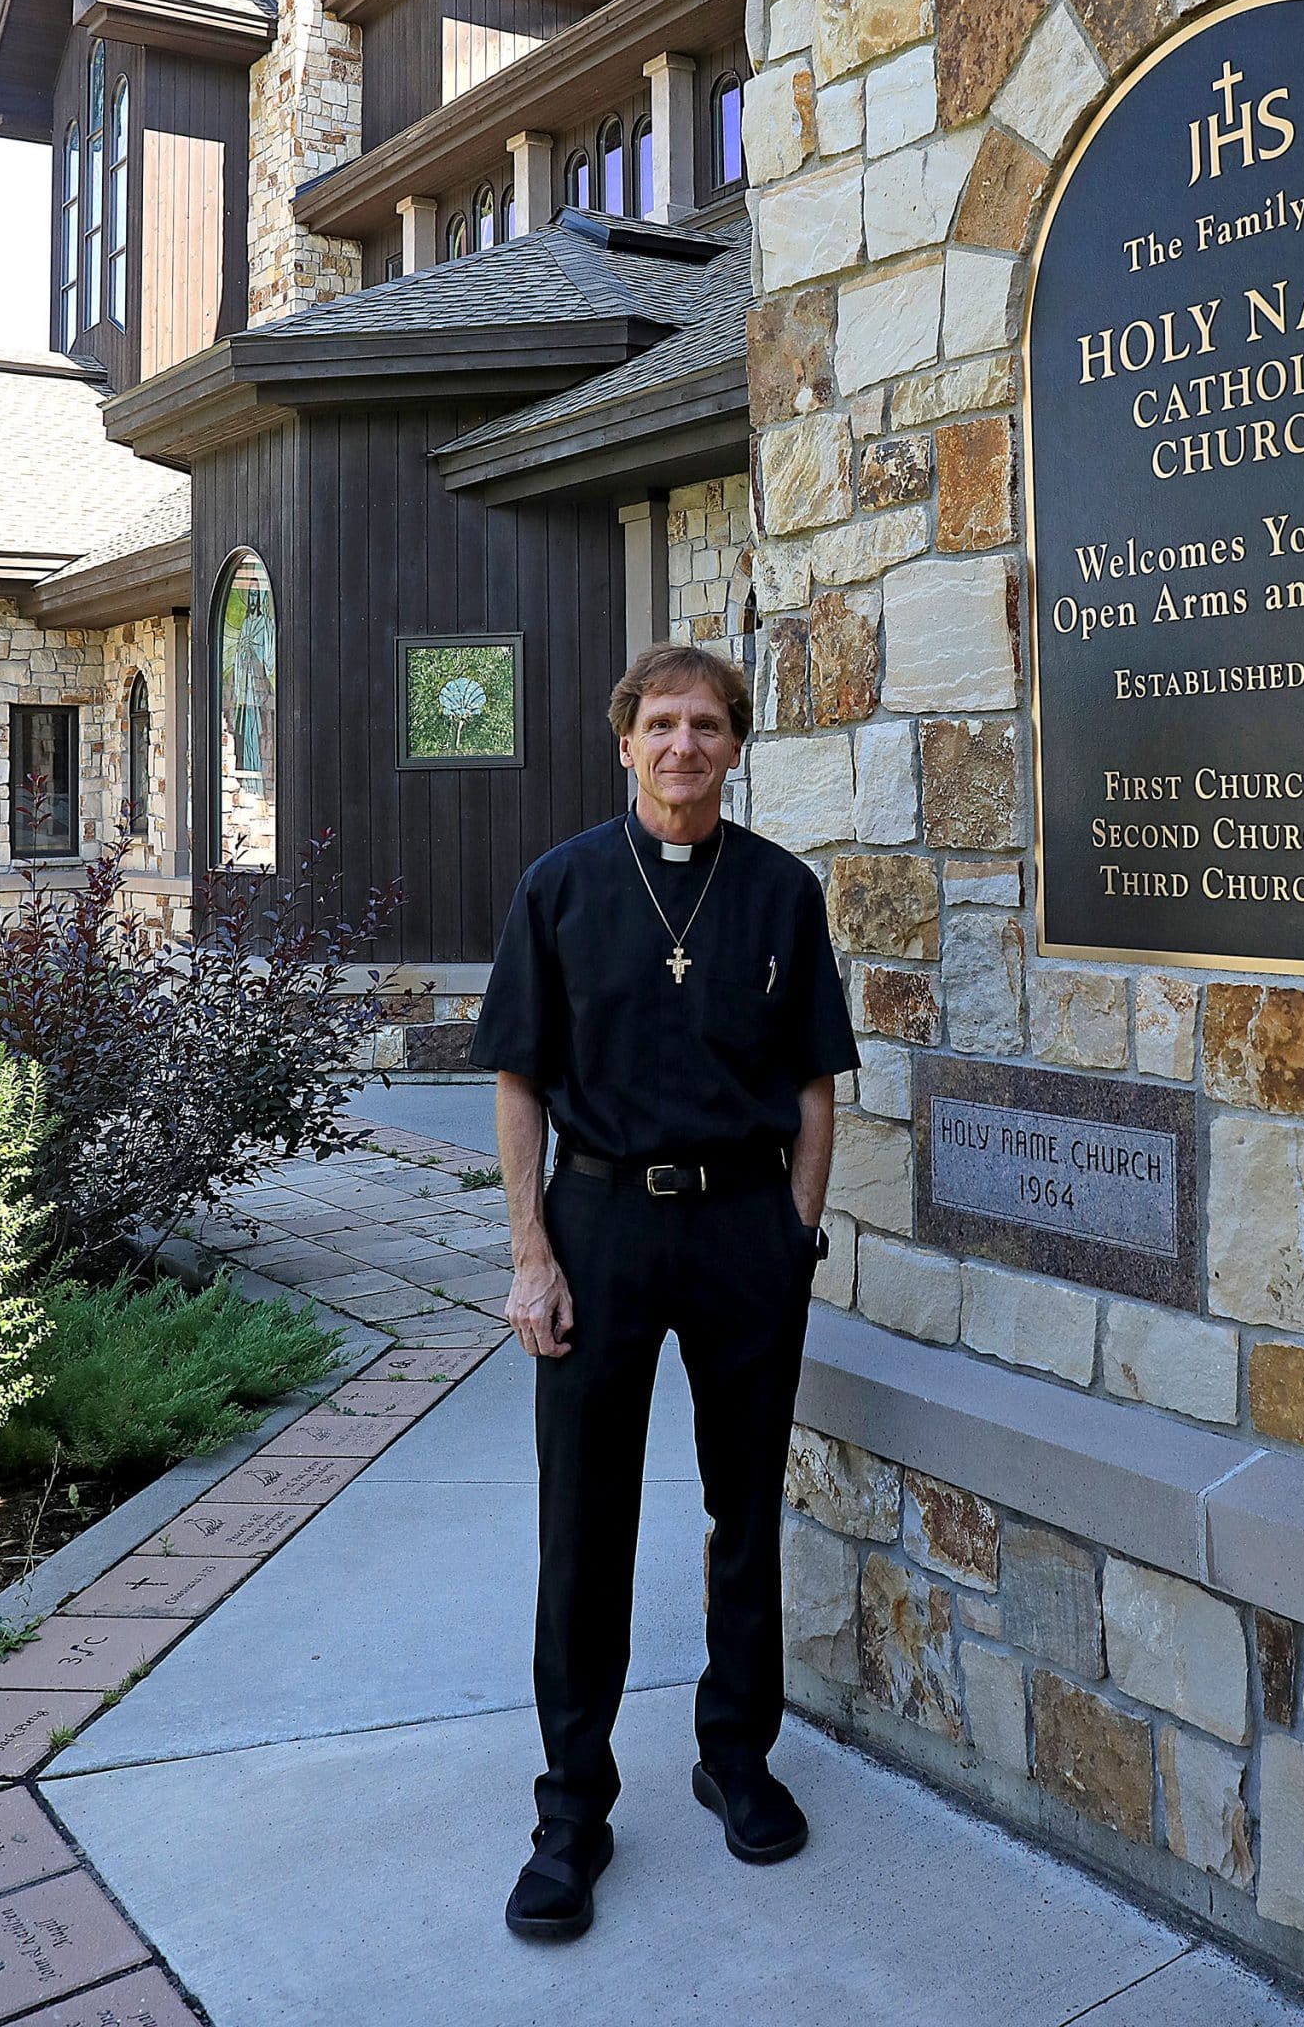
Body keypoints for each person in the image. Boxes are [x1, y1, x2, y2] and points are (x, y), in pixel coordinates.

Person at [469, 640, 859, 1942]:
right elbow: (519, 1083)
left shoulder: (779, 894)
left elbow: (814, 1084)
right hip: (599, 1226)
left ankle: (734, 1757)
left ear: (734, 747)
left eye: (707, 726)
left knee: (744, 1509)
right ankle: (572, 1810)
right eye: (662, 725)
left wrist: (793, 1234)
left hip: (745, 1225)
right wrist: (532, 1257)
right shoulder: (561, 888)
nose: (684, 745)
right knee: (583, 1524)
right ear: (624, 741)